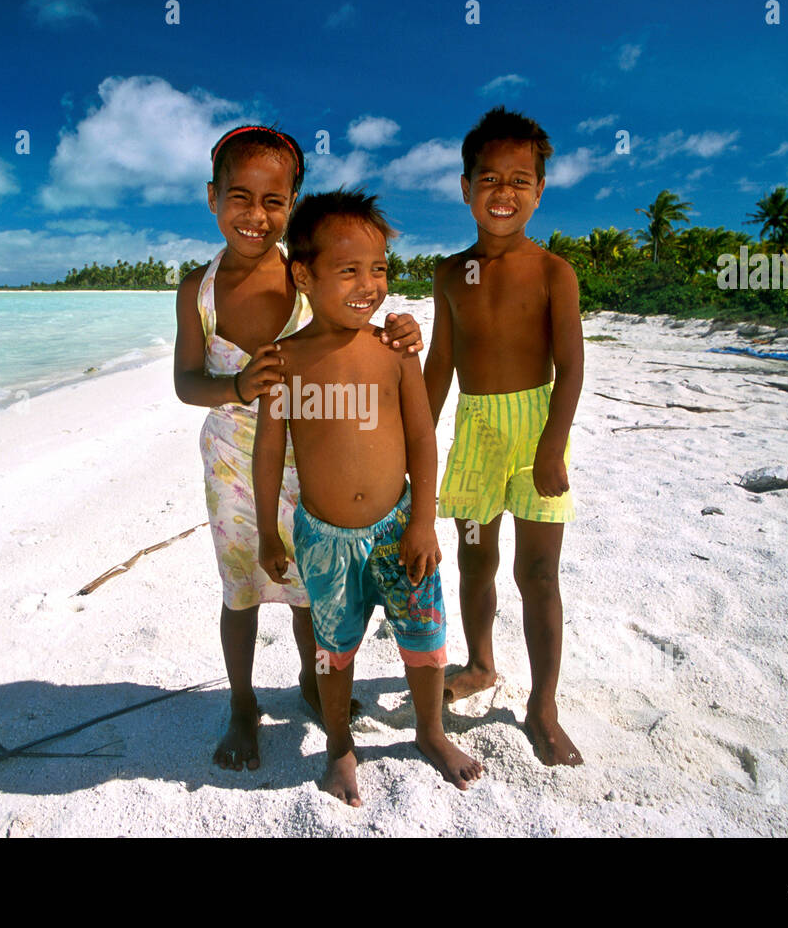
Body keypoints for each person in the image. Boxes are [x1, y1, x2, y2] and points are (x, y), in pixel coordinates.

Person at [172, 127, 423, 772]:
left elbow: (350, 317)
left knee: (313, 592)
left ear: (291, 204)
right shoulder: (196, 290)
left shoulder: (303, 273)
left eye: (274, 201)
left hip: (310, 462)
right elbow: (184, 381)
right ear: (211, 198)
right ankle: (241, 704)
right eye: (240, 197)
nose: (256, 215)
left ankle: (315, 686)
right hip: (232, 464)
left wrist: (397, 330)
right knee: (244, 589)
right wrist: (234, 384)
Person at [254, 189, 483, 806]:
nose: (369, 283)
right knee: (334, 651)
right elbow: (270, 454)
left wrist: (425, 523)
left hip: (398, 525)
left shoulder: (394, 351)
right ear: (304, 275)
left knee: (425, 637)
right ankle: (338, 747)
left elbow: (421, 439)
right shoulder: (284, 361)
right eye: (349, 269)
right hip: (323, 538)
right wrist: (269, 535)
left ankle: (431, 732)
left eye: (379, 268)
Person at [422, 107, 586, 766]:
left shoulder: (553, 271)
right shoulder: (448, 273)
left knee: (538, 571)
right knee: (473, 558)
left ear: (539, 193)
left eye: (520, 181)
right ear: (465, 187)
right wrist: (415, 447)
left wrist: (553, 444)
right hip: (476, 432)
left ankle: (542, 704)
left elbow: (572, 365)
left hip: (539, 427)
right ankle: (480, 662)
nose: (504, 193)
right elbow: (439, 365)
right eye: (489, 178)